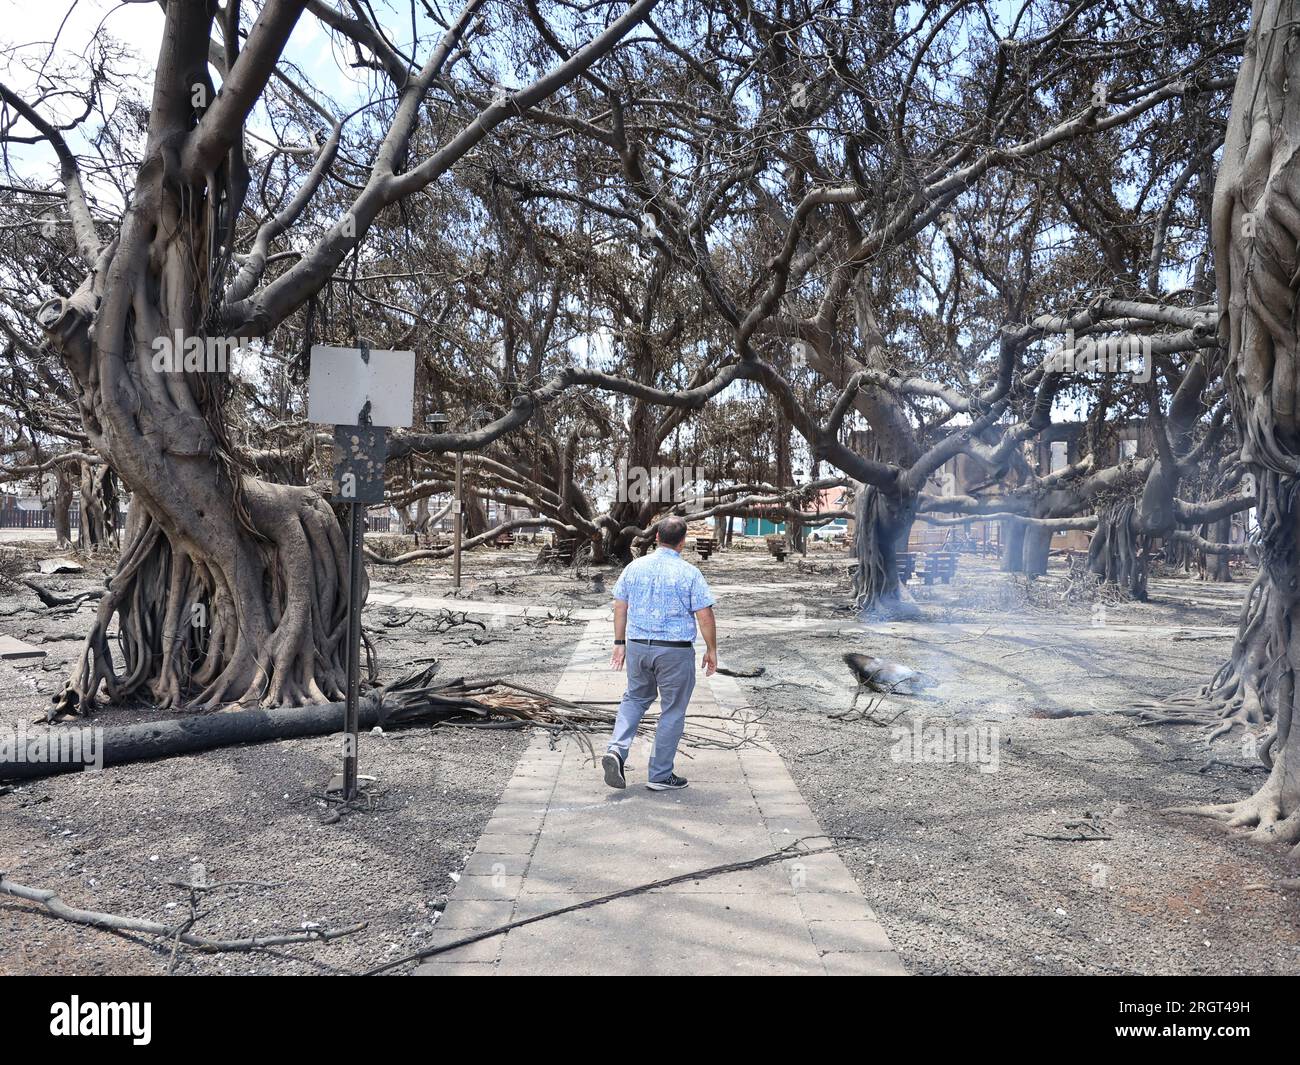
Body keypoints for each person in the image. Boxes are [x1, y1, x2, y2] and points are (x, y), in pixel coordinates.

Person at [601, 515, 717, 791]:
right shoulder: (689, 573)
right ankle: (660, 774)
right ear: (683, 542)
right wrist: (711, 650)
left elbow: (620, 605)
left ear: (656, 537)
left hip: (639, 646)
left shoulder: (634, 568)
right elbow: (705, 614)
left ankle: (616, 750)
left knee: (634, 699)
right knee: (672, 710)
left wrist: (619, 642)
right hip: (674, 652)